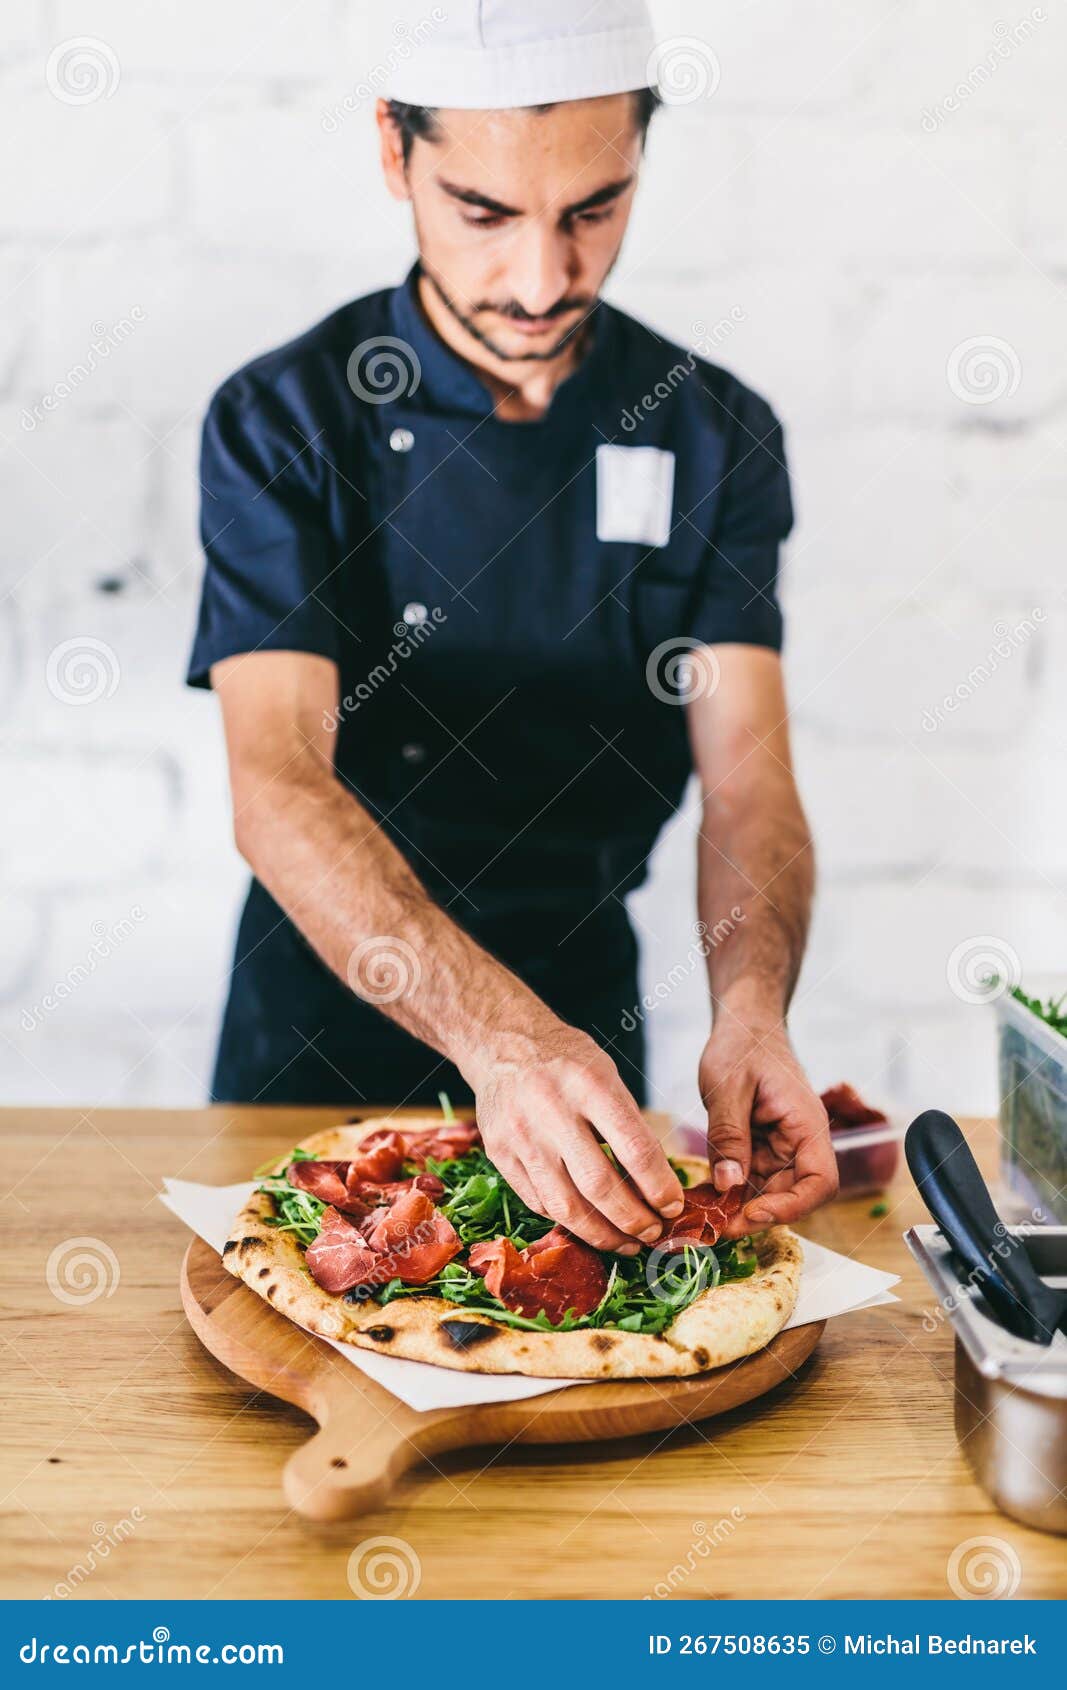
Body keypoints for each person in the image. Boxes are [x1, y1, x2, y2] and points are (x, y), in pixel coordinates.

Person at [187, 0, 837, 1254]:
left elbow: (748, 785)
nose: (542, 280)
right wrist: (497, 1039)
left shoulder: (713, 434)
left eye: (593, 209)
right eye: (483, 212)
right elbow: (275, 785)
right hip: (313, 1039)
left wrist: (751, 1007)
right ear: (394, 150)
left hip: (580, 1026)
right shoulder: (285, 418)